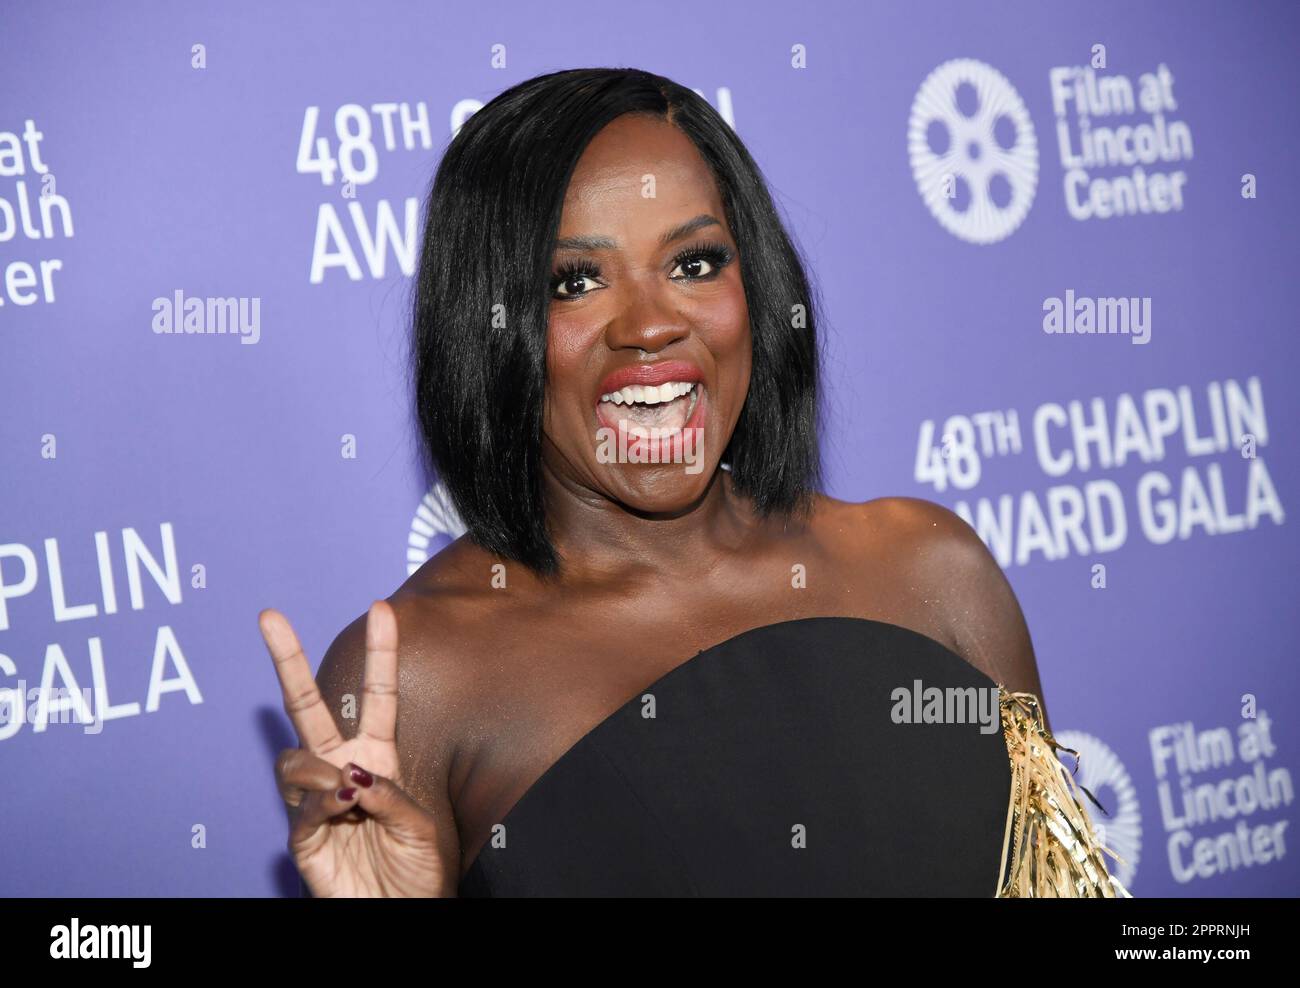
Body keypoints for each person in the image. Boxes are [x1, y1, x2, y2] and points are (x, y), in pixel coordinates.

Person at [261, 67, 1127, 897]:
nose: (649, 324)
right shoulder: (415, 677)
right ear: (488, 329)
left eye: (695, 263)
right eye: (575, 281)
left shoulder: (934, 571)